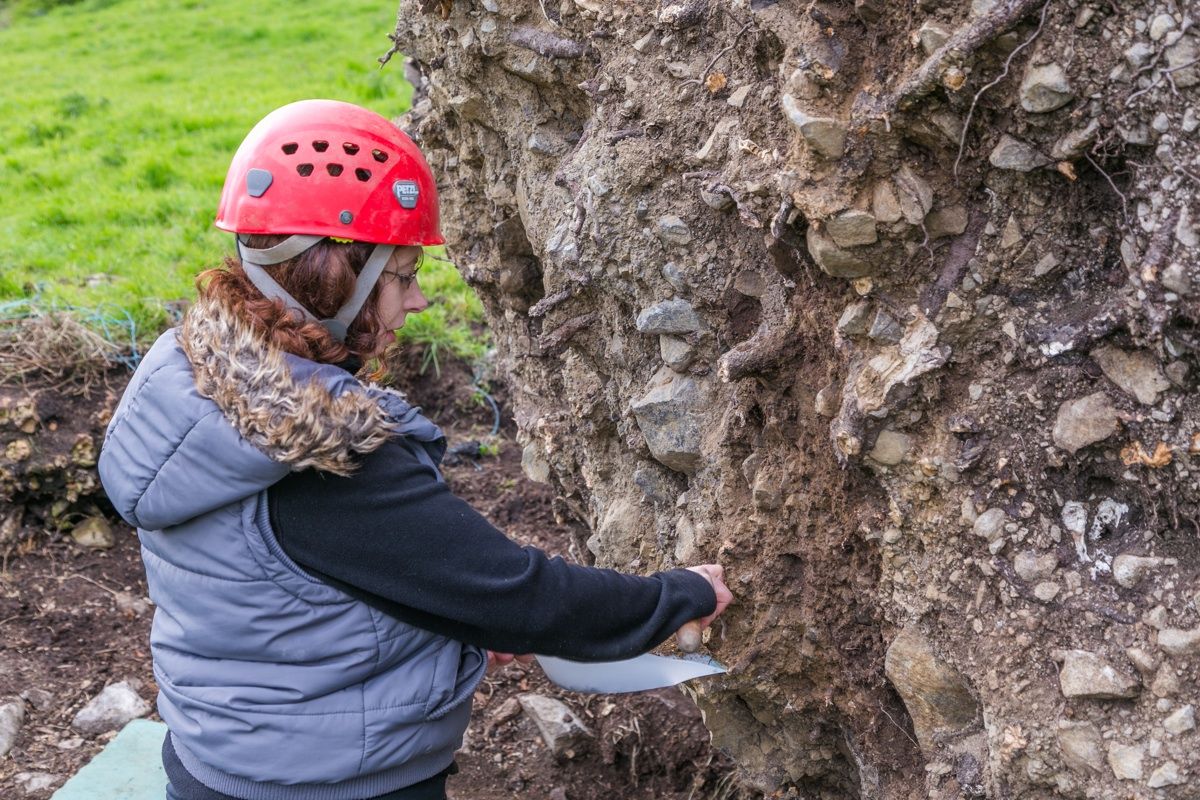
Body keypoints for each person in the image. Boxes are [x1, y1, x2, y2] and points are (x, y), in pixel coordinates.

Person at [97, 99, 732, 800]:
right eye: (400, 276)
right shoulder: (325, 456)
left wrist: (446, 616)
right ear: (333, 276)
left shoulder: (194, 382)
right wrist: (681, 596)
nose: (420, 300)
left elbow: (297, 586)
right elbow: (520, 596)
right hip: (330, 786)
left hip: (222, 759)